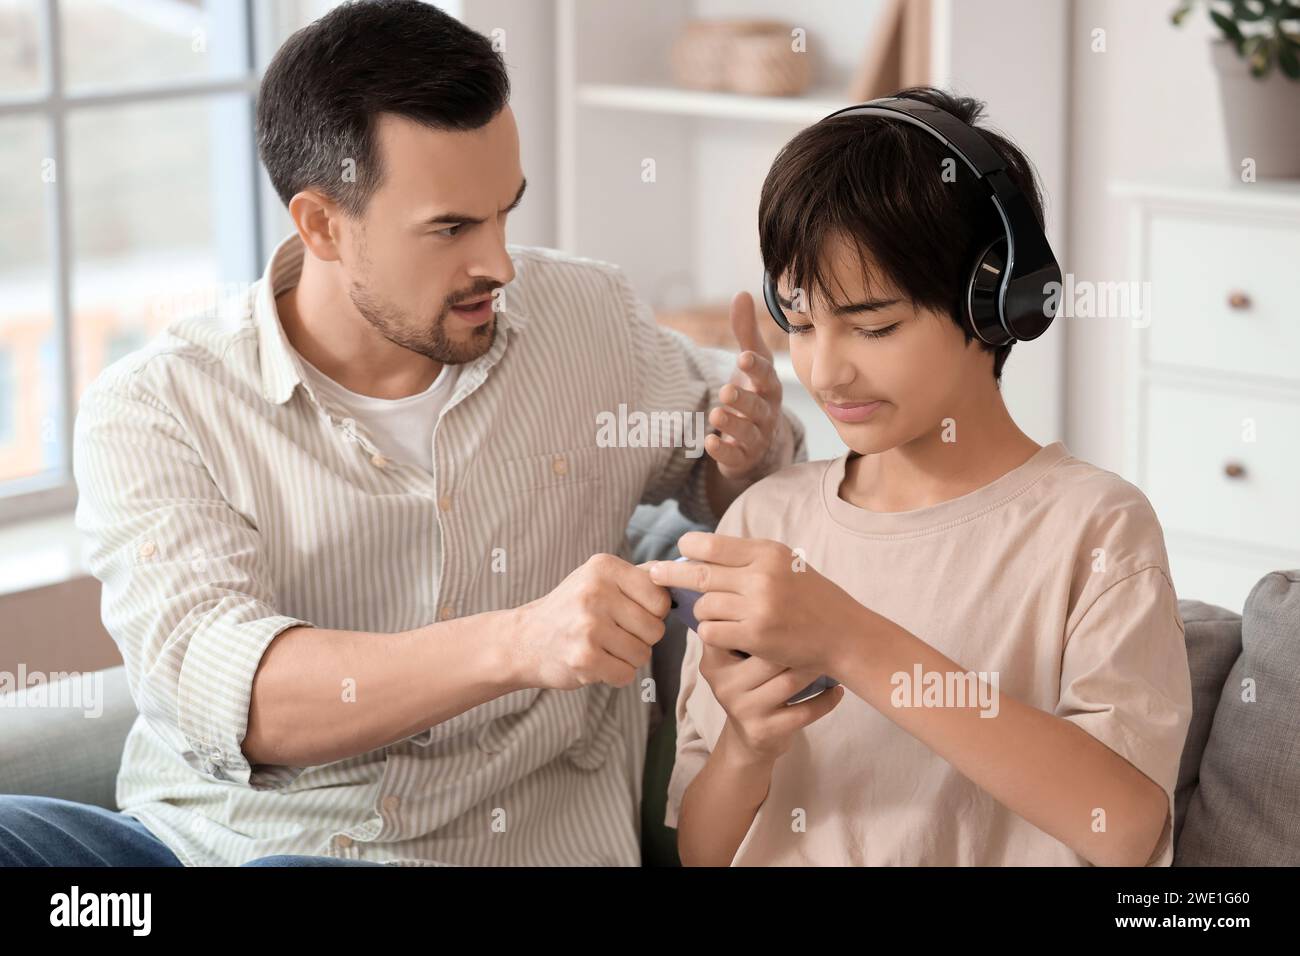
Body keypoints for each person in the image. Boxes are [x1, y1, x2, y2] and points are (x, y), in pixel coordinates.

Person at [0, 0, 804, 867]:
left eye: (505, 212)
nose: (498, 261)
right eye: (452, 228)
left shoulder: (586, 320)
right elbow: (234, 698)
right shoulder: (158, 408)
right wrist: (518, 641)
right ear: (321, 226)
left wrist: (743, 453)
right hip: (193, 848)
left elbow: (728, 471)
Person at [655, 86, 1192, 867]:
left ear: (997, 304)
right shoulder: (763, 526)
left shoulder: (1094, 527)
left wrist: (851, 640)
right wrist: (745, 748)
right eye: (801, 324)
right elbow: (704, 853)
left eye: (874, 325)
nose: (826, 368)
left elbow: (1127, 830)